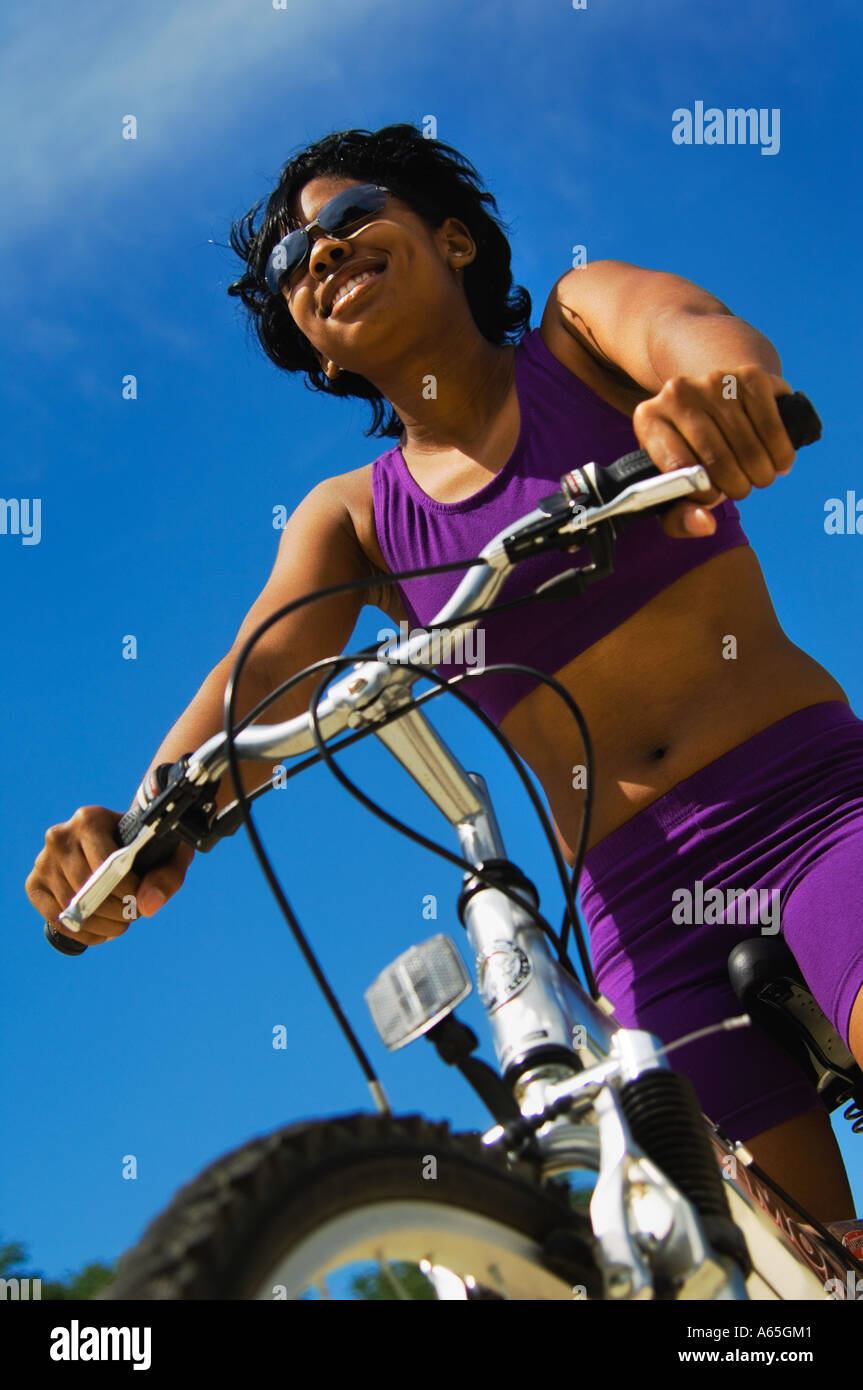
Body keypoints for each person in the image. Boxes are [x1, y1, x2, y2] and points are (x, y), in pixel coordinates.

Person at [27, 123, 863, 1224]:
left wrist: (718, 392)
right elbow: (259, 667)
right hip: (632, 908)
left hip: (808, 808)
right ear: (315, 348)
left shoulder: (576, 328)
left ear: (456, 241)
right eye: (292, 263)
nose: (319, 253)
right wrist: (137, 825)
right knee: (754, 1259)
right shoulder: (356, 518)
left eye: (349, 218)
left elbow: (692, 333)